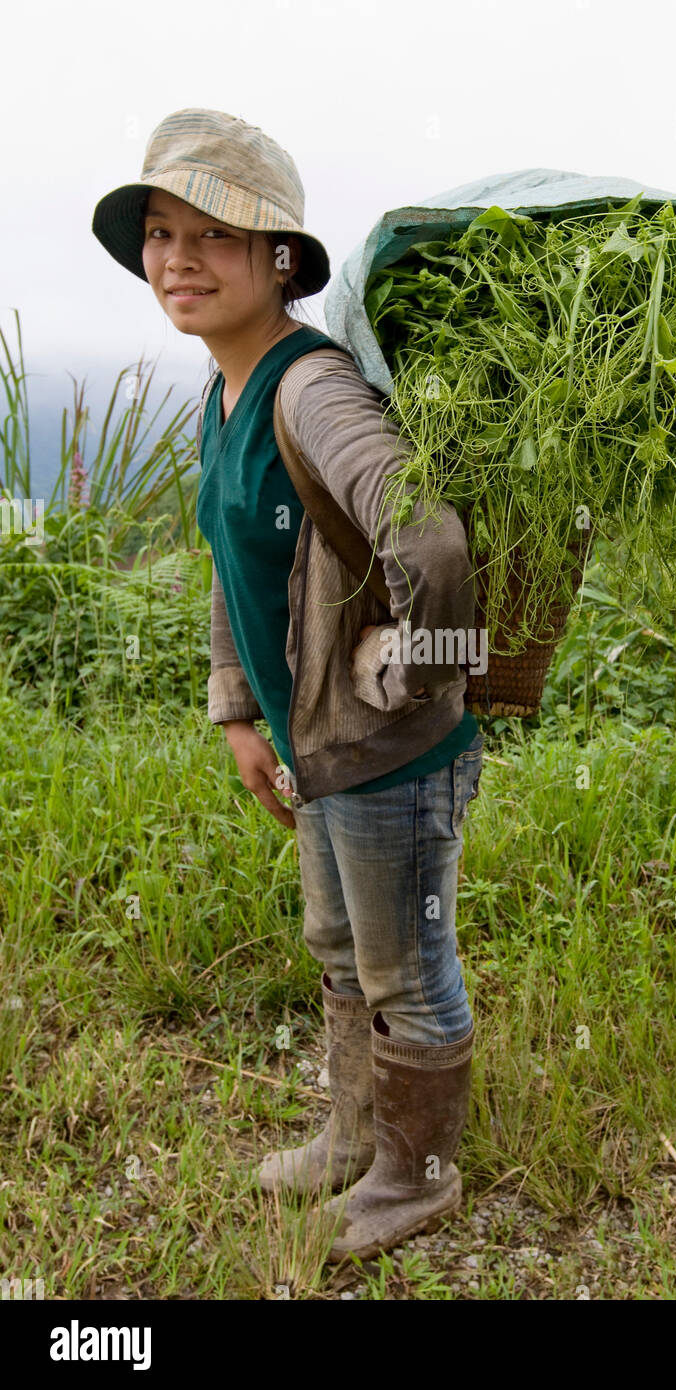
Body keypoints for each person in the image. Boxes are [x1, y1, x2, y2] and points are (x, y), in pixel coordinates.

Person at [91, 108, 485, 1263]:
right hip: (318, 748)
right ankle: (357, 1130)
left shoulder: (308, 390)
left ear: (279, 260)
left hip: (388, 755)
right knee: (336, 943)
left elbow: (437, 546)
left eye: (215, 233)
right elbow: (234, 555)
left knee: (405, 969)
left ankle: (418, 1175)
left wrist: (398, 683)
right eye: (163, 231)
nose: (178, 258)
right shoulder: (226, 391)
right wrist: (236, 709)